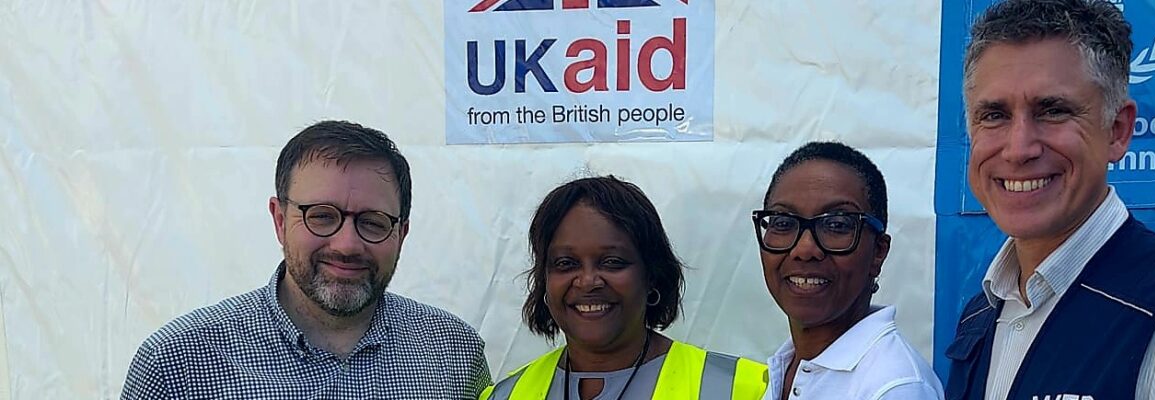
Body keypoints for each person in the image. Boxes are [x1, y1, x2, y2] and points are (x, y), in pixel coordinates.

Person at [943, 1, 1155, 399]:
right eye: (994, 115)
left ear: (1117, 130)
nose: (1018, 148)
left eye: (1053, 111)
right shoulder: (982, 313)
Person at [121, 121, 491, 399]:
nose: (347, 244)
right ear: (280, 220)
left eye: (373, 222)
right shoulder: (177, 365)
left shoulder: (455, 353)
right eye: (322, 216)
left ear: (402, 233)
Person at [482, 176, 767, 400]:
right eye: (566, 263)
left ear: (652, 275)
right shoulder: (505, 395)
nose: (588, 281)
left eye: (612, 262)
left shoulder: (749, 389)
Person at [754, 142, 943, 400]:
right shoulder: (789, 364)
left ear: (878, 252)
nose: (804, 249)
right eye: (783, 222)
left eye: (837, 225)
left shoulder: (895, 387)